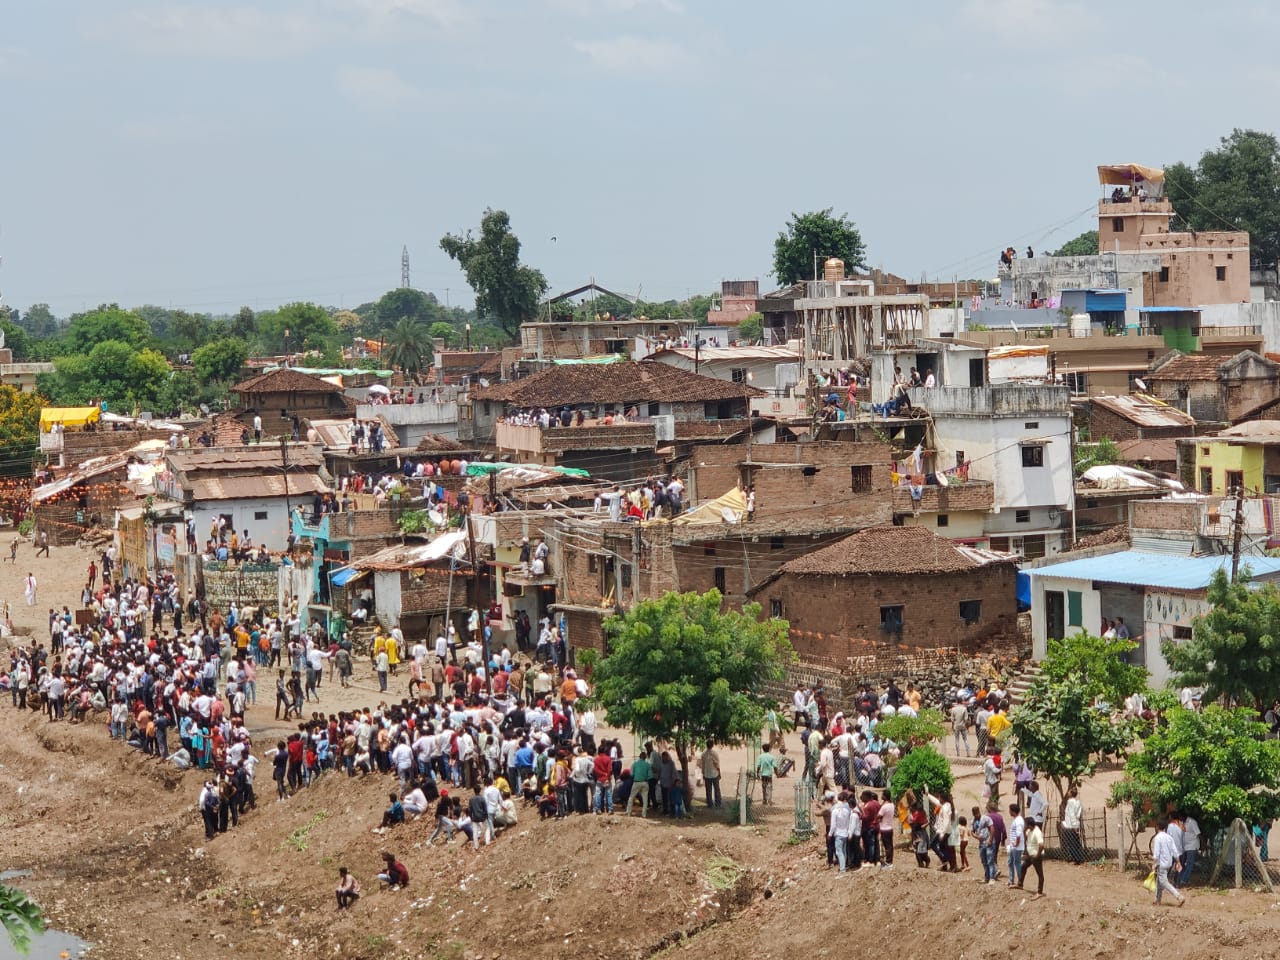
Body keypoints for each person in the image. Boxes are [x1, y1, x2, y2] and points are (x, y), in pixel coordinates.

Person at [1151, 819, 1186, 907]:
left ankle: (1179, 896)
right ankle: (1157, 900)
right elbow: (1174, 851)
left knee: (1163, 881)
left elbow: (1156, 853)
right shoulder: (1169, 837)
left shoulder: (1158, 838)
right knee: (1159, 881)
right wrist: (1178, 862)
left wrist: (1154, 863)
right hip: (1169, 862)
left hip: (1162, 863)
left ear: (1157, 827)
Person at [1061, 786, 1084, 864]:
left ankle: (1076, 859)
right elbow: (1078, 814)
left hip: (1071, 826)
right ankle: (1077, 857)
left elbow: (1071, 815)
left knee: (1072, 843)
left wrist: (1073, 825)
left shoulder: (1070, 802)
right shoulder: (1078, 802)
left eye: (1069, 792)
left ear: (1071, 793)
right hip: (1075, 824)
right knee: (1076, 842)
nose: (1067, 793)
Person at [1023, 817, 1045, 898]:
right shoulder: (1029, 831)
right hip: (1030, 855)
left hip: (1036, 856)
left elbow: (1041, 845)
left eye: (1025, 824)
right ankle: (1020, 884)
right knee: (1023, 867)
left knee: (1040, 874)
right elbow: (1025, 838)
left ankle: (1039, 892)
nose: (1024, 825)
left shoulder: (1037, 832)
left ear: (1029, 825)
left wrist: (1037, 855)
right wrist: (1024, 831)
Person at [1006, 803, 1025, 888]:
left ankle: (1020, 882)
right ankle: (1011, 881)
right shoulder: (1017, 819)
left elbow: (1019, 833)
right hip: (1013, 845)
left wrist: (1016, 843)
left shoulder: (1018, 821)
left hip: (1016, 846)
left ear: (1013, 811)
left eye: (1010, 810)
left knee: (1017, 863)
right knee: (1010, 862)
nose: (1009, 812)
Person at [1180, 812, 1201, 884]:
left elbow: (1198, 833)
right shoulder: (1182, 822)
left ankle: (1184, 879)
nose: (1180, 819)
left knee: (1189, 863)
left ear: (1184, 816)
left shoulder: (1192, 822)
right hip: (1185, 846)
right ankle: (1183, 877)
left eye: (1180, 817)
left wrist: (1203, 844)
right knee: (1182, 863)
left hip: (1192, 846)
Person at [701, 745, 722, 809]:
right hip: (714, 774)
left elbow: (703, 765)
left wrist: (703, 773)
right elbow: (717, 764)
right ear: (712, 745)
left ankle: (709, 803)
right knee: (717, 789)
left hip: (707, 774)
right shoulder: (714, 753)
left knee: (708, 790)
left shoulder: (703, 754)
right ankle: (717, 803)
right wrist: (719, 773)